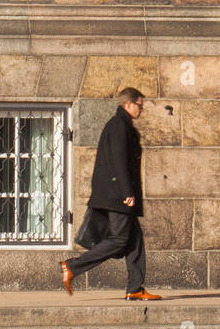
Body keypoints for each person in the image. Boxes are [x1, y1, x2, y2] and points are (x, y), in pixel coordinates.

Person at [60, 88, 161, 301]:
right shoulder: (118, 127)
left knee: (135, 241)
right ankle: (72, 266)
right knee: (119, 239)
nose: (142, 109)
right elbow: (119, 161)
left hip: (117, 194)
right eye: (139, 105)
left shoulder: (122, 126)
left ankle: (135, 287)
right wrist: (127, 192)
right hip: (118, 196)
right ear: (128, 104)